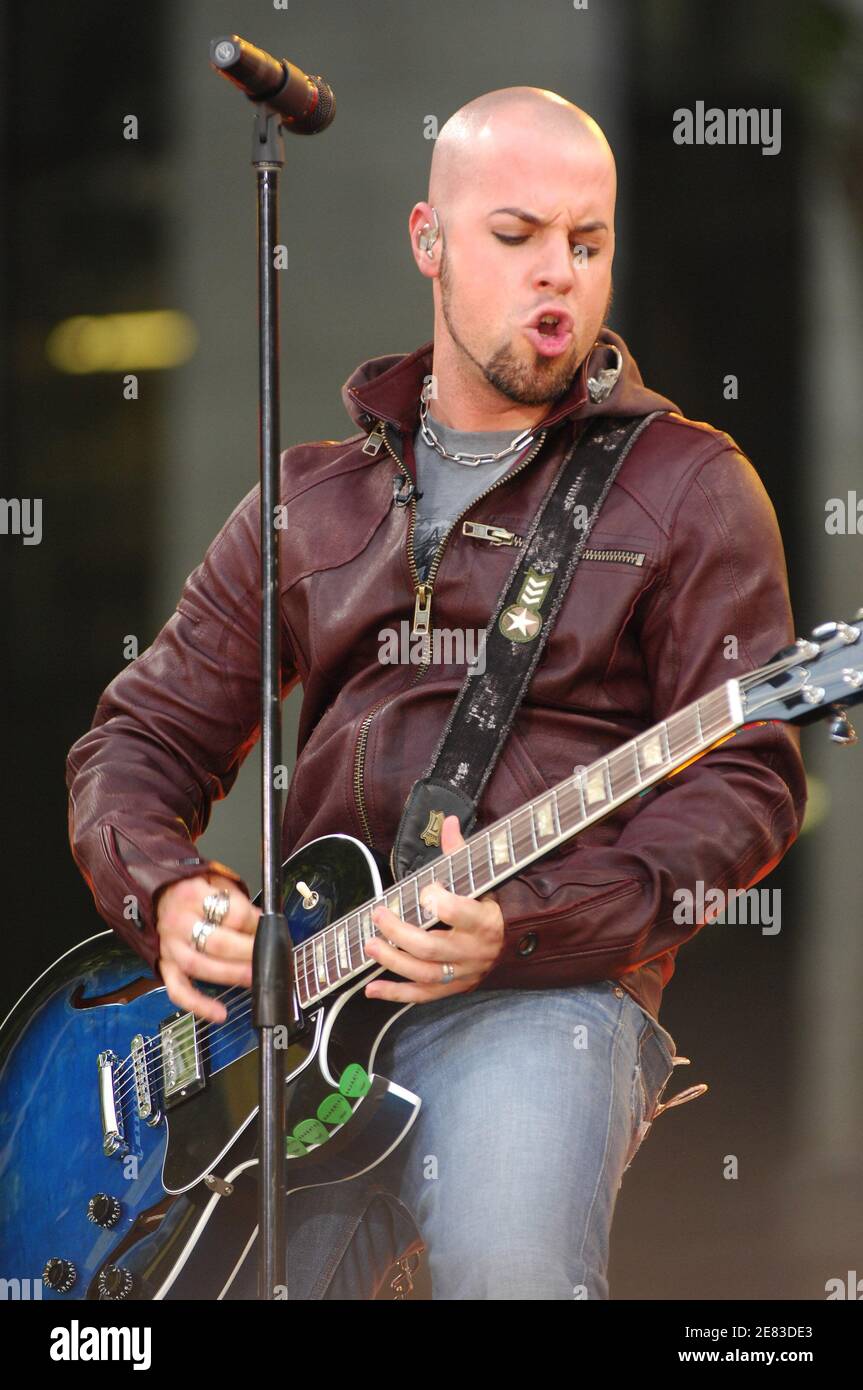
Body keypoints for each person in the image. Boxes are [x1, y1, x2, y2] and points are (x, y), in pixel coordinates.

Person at [66, 87, 807, 1299]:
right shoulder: (311, 497)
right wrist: (168, 888)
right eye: (514, 238)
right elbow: (138, 738)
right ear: (428, 241)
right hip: (300, 1015)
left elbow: (747, 779)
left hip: (544, 994)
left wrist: (528, 925)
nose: (556, 276)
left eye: (586, 241)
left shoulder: (688, 484)